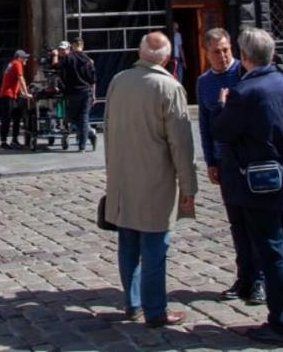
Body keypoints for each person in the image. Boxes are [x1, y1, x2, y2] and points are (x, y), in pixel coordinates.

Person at [213, 28, 283, 347]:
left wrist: (223, 105)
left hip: (259, 183)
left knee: (272, 253)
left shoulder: (244, 91)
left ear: (244, 56)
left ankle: (282, 325)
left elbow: (224, 133)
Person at [102, 32, 197, 328]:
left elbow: (107, 128)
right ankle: (155, 310)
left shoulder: (118, 80)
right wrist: (188, 186)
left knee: (128, 243)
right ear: (167, 58)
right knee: (155, 247)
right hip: (155, 181)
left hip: (122, 179)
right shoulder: (169, 87)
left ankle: (132, 303)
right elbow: (181, 144)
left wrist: (112, 171)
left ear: (140, 53)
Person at [195, 28, 264, 306]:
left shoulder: (245, 73)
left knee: (255, 221)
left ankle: (260, 278)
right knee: (237, 223)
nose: (223, 56)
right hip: (226, 162)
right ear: (206, 52)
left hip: (250, 159)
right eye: (216, 51)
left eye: (226, 49)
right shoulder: (203, 83)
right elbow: (204, 124)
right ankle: (244, 276)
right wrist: (210, 160)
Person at [60, 37, 97, 151]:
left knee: (71, 117)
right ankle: (84, 143)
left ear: (72, 46)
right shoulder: (88, 61)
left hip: (72, 92)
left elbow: (61, 74)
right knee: (84, 117)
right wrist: (94, 95)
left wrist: (63, 88)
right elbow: (93, 80)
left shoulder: (68, 58)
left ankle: (88, 135)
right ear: (82, 46)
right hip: (86, 91)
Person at [0, 49, 31, 149]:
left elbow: (15, 81)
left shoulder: (12, 64)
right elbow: (21, 78)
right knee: (7, 119)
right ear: (19, 57)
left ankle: (14, 139)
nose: (26, 59)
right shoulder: (17, 63)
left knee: (16, 117)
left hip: (12, 95)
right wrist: (27, 93)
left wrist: (23, 93)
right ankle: (3, 142)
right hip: (8, 95)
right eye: (25, 57)